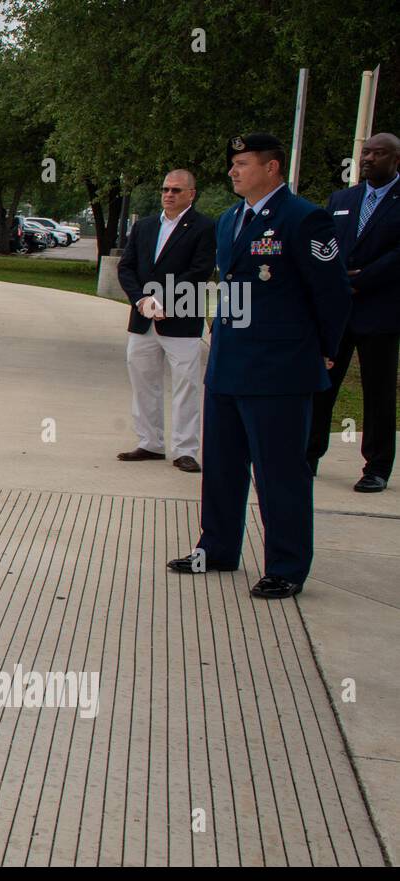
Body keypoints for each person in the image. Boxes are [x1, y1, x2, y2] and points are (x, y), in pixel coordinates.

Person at [168, 133, 351, 599]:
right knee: (223, 467)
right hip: (230, 363)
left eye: (243, 163)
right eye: (232, 163)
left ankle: (286, 566)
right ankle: (219, 547)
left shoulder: (305, 218)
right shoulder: (231, 219)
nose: (233, 171)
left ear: (272, 168)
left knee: (279, 473)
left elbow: (331, 294)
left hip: (278, 369)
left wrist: (325, 350)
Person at [308, 132, 400, 492]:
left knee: (378, 392)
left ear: (395, 160)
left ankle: (376, 467)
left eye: (378, 154)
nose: (368, 159)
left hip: (381, 311)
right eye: (365, 153)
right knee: (322, 385)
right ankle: (308, 454)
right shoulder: (342, 199)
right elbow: (324, 243)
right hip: (338, 311)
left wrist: (365, 278)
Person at [116, 169, 216, 473]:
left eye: (176, 190)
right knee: (143, 381)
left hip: (181, 320)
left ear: (191, 194)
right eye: (165, 189)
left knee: (185, 385)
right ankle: (150, 443)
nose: (169, 194)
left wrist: (162, 300)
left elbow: (200, 271)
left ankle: (185, 450)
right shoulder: (145, 226)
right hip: (143, 319)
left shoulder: (204, 227)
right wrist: (141, 300)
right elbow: (126, 267)